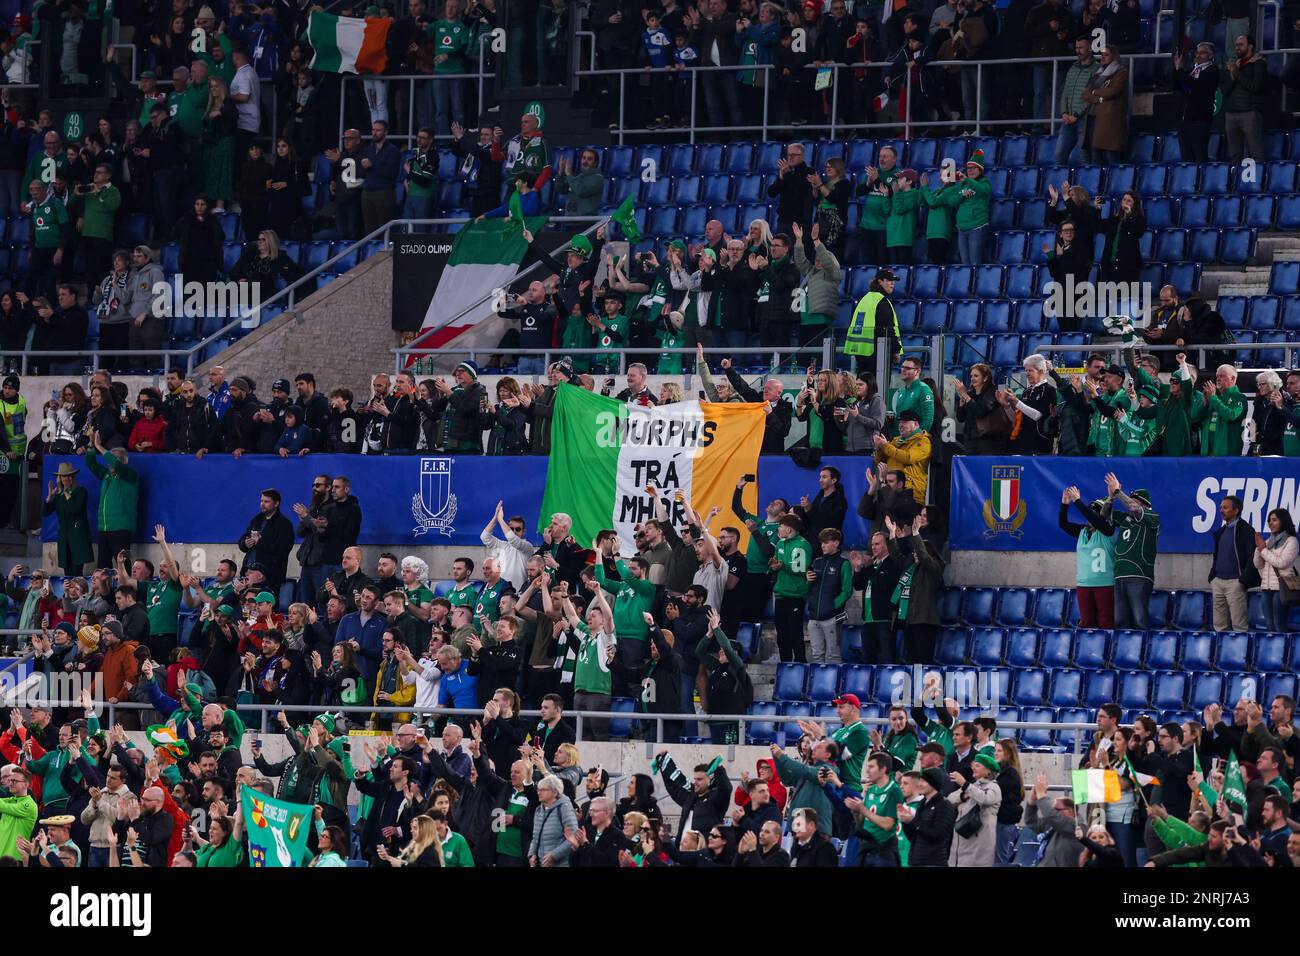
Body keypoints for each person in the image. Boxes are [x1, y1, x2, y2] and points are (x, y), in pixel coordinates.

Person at [1060, 487, 1116, 629]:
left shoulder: (1107, 530)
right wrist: (1065, 504)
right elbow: (1063, 524)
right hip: (1084, 584)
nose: (1090, 517)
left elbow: (1095, 520)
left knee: (1105, 622)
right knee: (1086, 623)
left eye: (1093, 514)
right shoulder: (1082, 531)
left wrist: (1078, 501)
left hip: (1104, 583)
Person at [1208, 494, 1261, 633]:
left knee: (1239, 626)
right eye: (1220, 508)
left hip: (1235, 583)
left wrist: (1242, 580)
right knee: (1219, 626)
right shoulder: (1221, 532)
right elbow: (1216, 556)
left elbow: (1252, 558)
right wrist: (1213, 577)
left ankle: (1239, 654)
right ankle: (1221, 654)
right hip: (1218, 582)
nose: (1221, 510)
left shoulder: (1246, 530)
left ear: (1236, 510)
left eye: (1225, 508)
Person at [1222, 33, 1267, 165]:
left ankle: (1257, 183)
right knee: (1234, 155)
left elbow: (1255, 87)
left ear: (1250, 46)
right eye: (1236, 45)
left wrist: (1236, 72)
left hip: (1250, 112)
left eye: (1241, 44)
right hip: (1231, 113)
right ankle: (1236, 183)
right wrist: (1232, 74)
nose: (1237, 47)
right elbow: (1225, 90)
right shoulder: (1235, 65)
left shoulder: (1259, 63)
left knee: (1255, 152)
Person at [897, 767, 955, 867]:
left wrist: (913, 821)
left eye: (923, 781)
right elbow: (913, 837)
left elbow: (938, 836)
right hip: (916, 861)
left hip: (933, 862)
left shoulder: (945, 805)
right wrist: (906, 821)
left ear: (933, 783)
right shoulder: (922, 804)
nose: (919, 784)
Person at [1023, 772, 1083, 866]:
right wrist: (1032, 800)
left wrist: (1041, 794)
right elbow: (1030, 821)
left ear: (1070, 811)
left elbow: (1051, 815)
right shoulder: (1053, 825)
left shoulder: (1076, 826)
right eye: (1053, 810)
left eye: (1056, 810)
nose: (1053, 812)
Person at [1254, 508, 1298, 633]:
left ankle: (1283, 652)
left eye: (1274, 520)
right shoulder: (1269, 541)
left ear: (1283, 521)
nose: (1270, 523)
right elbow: (1258, 565)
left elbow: (1281, 563)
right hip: (1266, 589)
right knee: (1269, 625)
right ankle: (1272, 651)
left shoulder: (1291, 541)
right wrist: (1258, 549)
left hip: (1281, 589)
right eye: (1269, 521)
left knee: (1279, 625)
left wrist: (1263, 550)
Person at [844, 267, 900, 364]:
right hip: (878, 353)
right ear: (880, 282)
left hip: (861, 351)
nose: (892, 283)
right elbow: (888, 329)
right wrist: (895, 350)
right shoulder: (882, 301)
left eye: (893, 281)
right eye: (888, 280)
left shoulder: (865, 299)